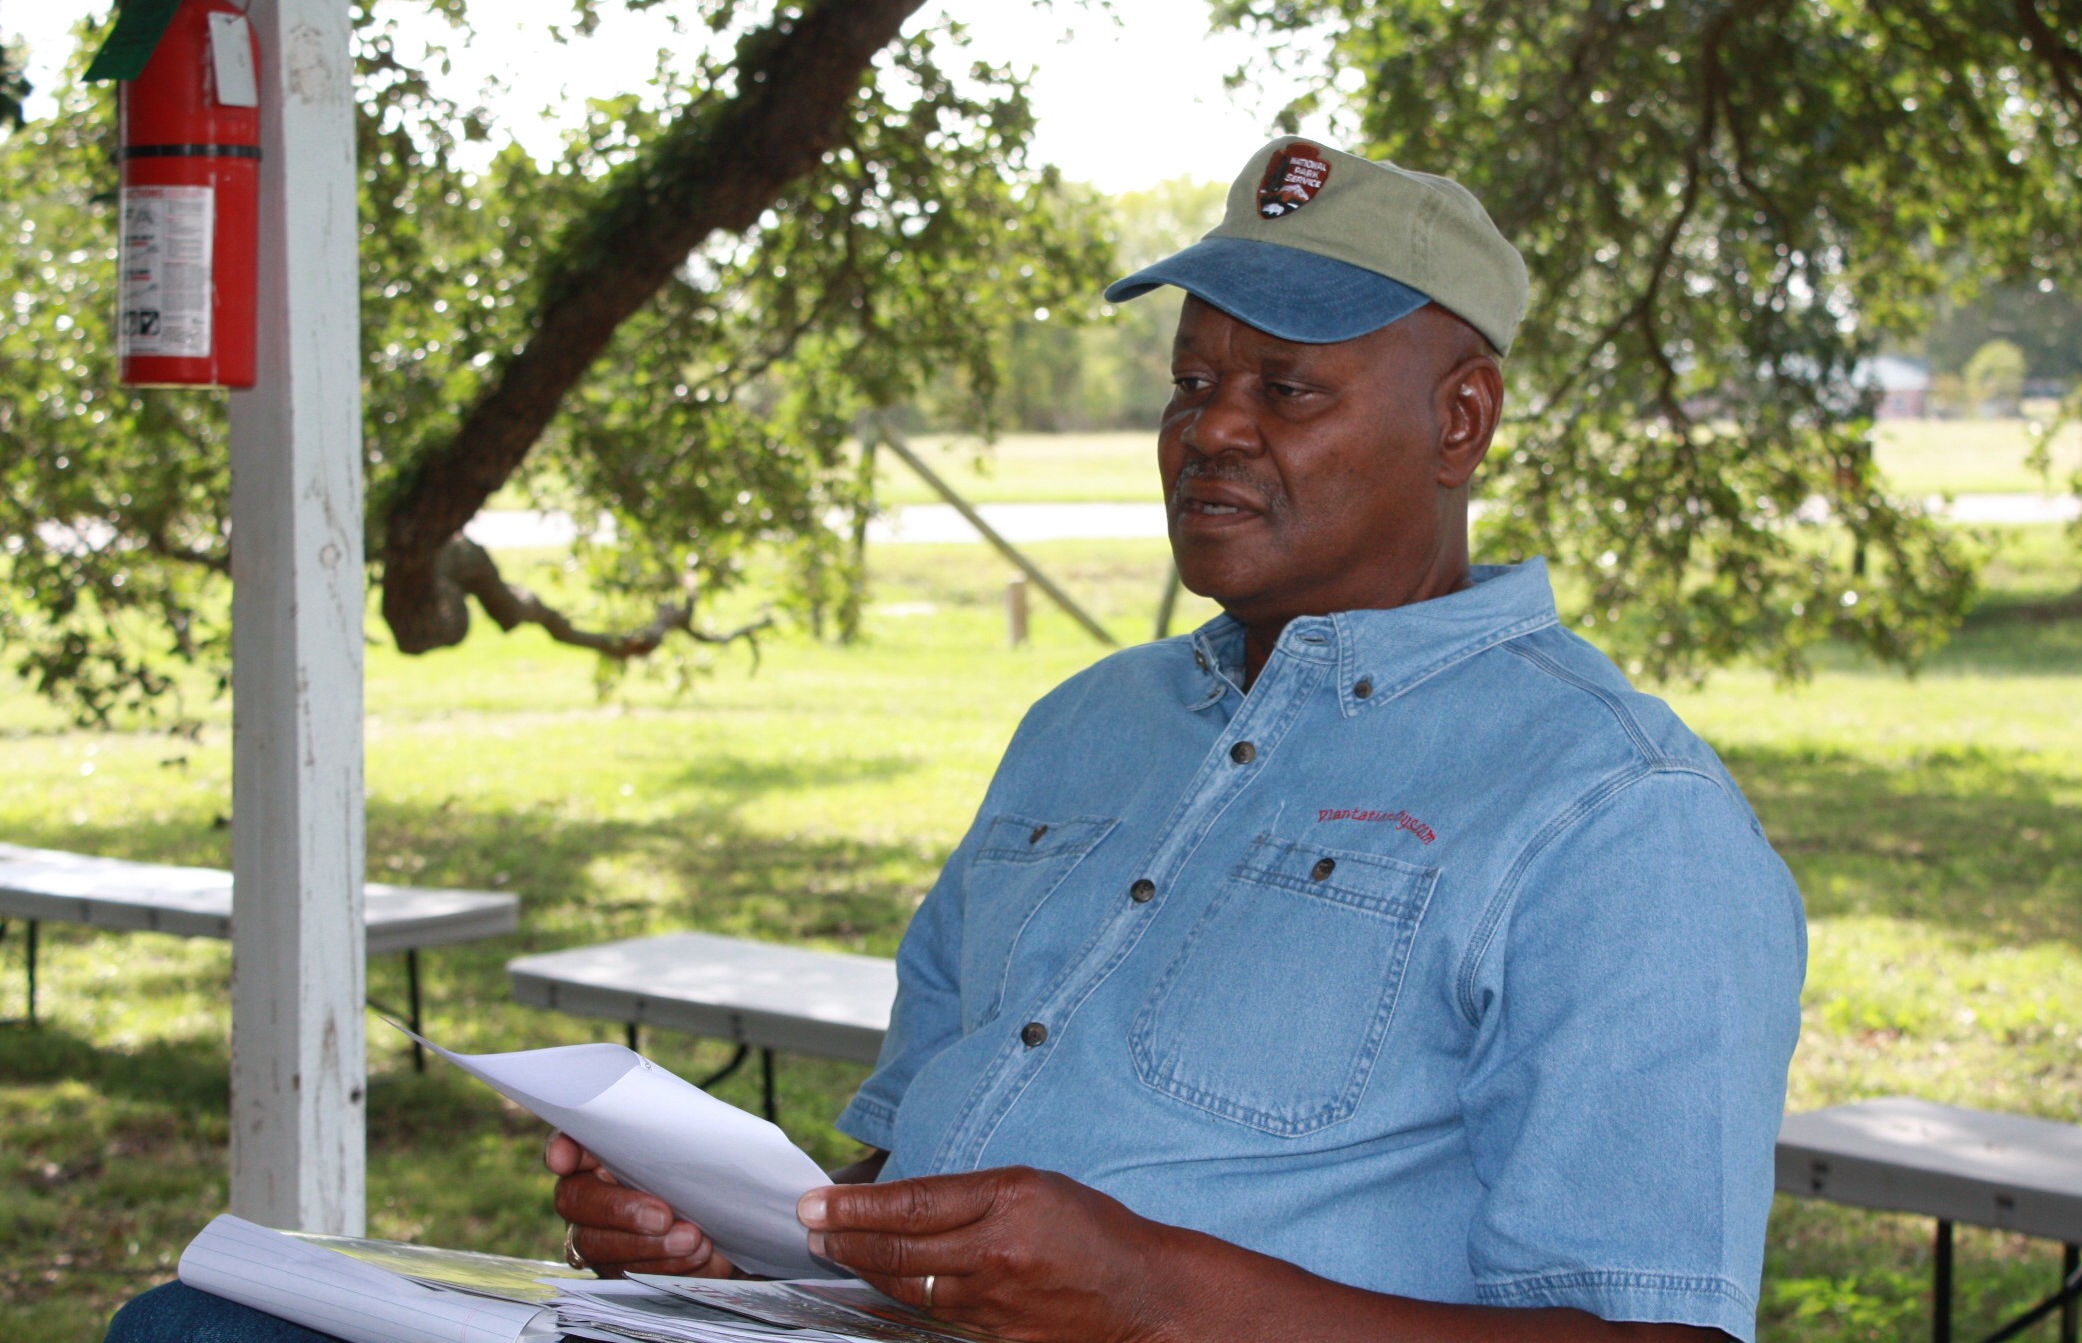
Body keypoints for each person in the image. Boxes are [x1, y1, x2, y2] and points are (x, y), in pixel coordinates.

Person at [553, 138, 1806, 1343]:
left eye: (1288, 388)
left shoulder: (1620, 812)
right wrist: (743, 1247)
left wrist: (1159, 1307)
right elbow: (916, 1174)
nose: (1210, 431)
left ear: (1460, 420)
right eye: (1192, 383)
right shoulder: (1086, 727)